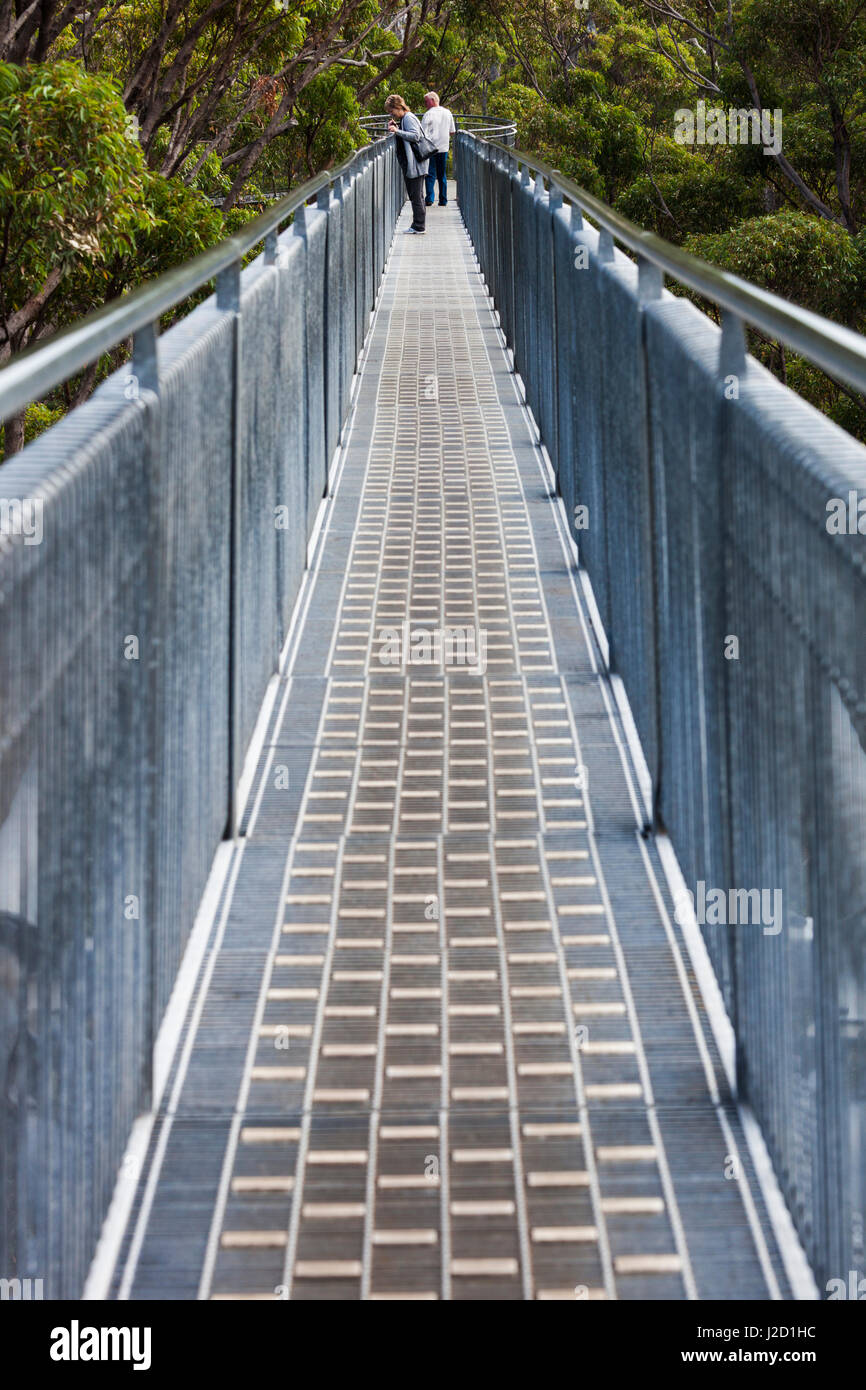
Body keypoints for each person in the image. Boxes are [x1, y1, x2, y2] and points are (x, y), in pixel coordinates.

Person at [385, 94, 428, 234]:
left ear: (397, 107)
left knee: (416, 195)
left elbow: (415, 136)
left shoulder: (408, 118)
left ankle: (419, 226)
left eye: (392, 111)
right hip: (414, 163)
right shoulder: (405, 118)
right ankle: (418, 225)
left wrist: (397, 131)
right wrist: (397, 128)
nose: (392, 114)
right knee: (417, 194)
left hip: (415, 163)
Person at [421, 92, 455, 207]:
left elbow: (423, 133)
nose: (425, 104)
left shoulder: (428, 114)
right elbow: (452, 131)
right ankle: (443, 199)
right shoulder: (447, 113)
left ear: (433, 100)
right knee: (442, 175)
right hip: (443, 147)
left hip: (430, 148)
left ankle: (430, 198)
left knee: (430, 174)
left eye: (426, 101)